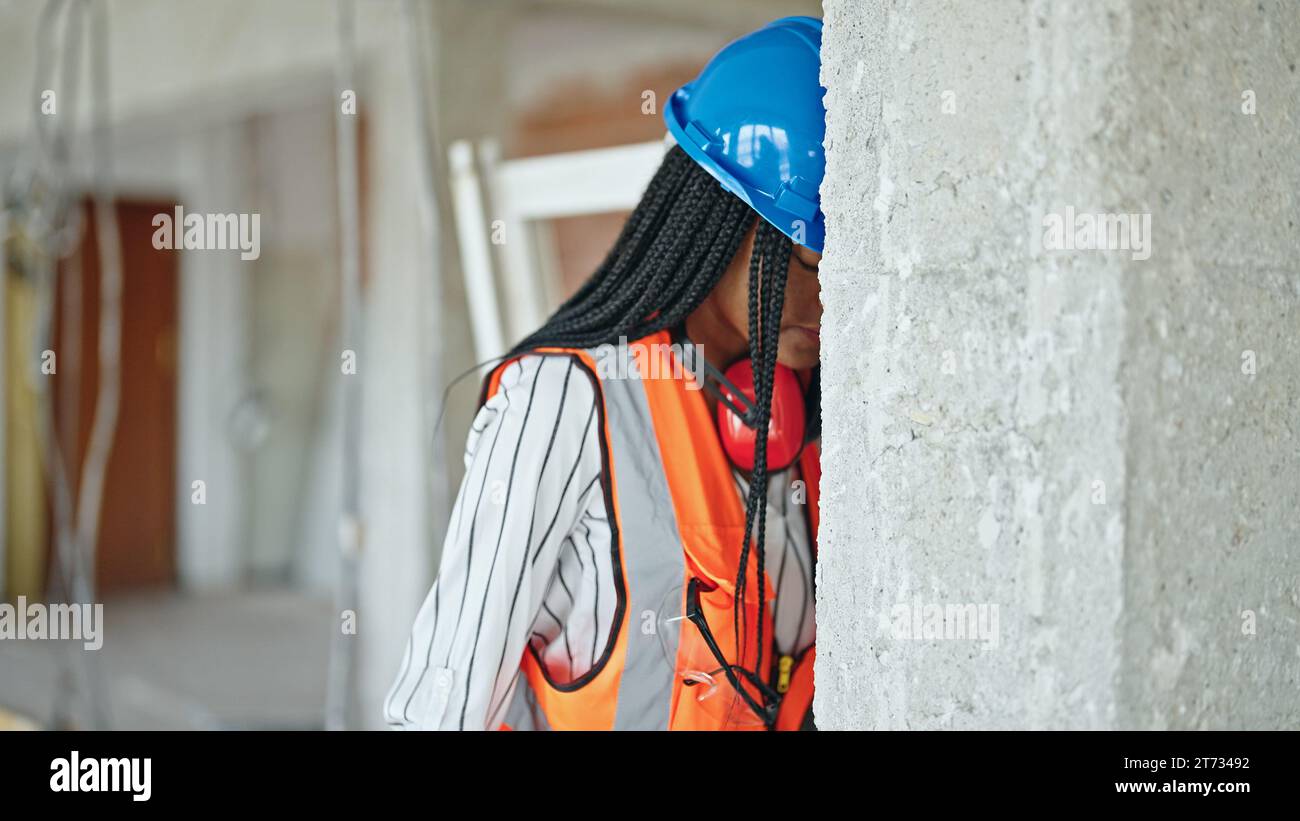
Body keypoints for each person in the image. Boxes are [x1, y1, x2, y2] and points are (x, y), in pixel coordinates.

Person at [385, 16, 826, 731]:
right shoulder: (561, 401)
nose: (831, 298)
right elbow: (443, 706)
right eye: (808, 262)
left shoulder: (804, 412)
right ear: (721, 220)